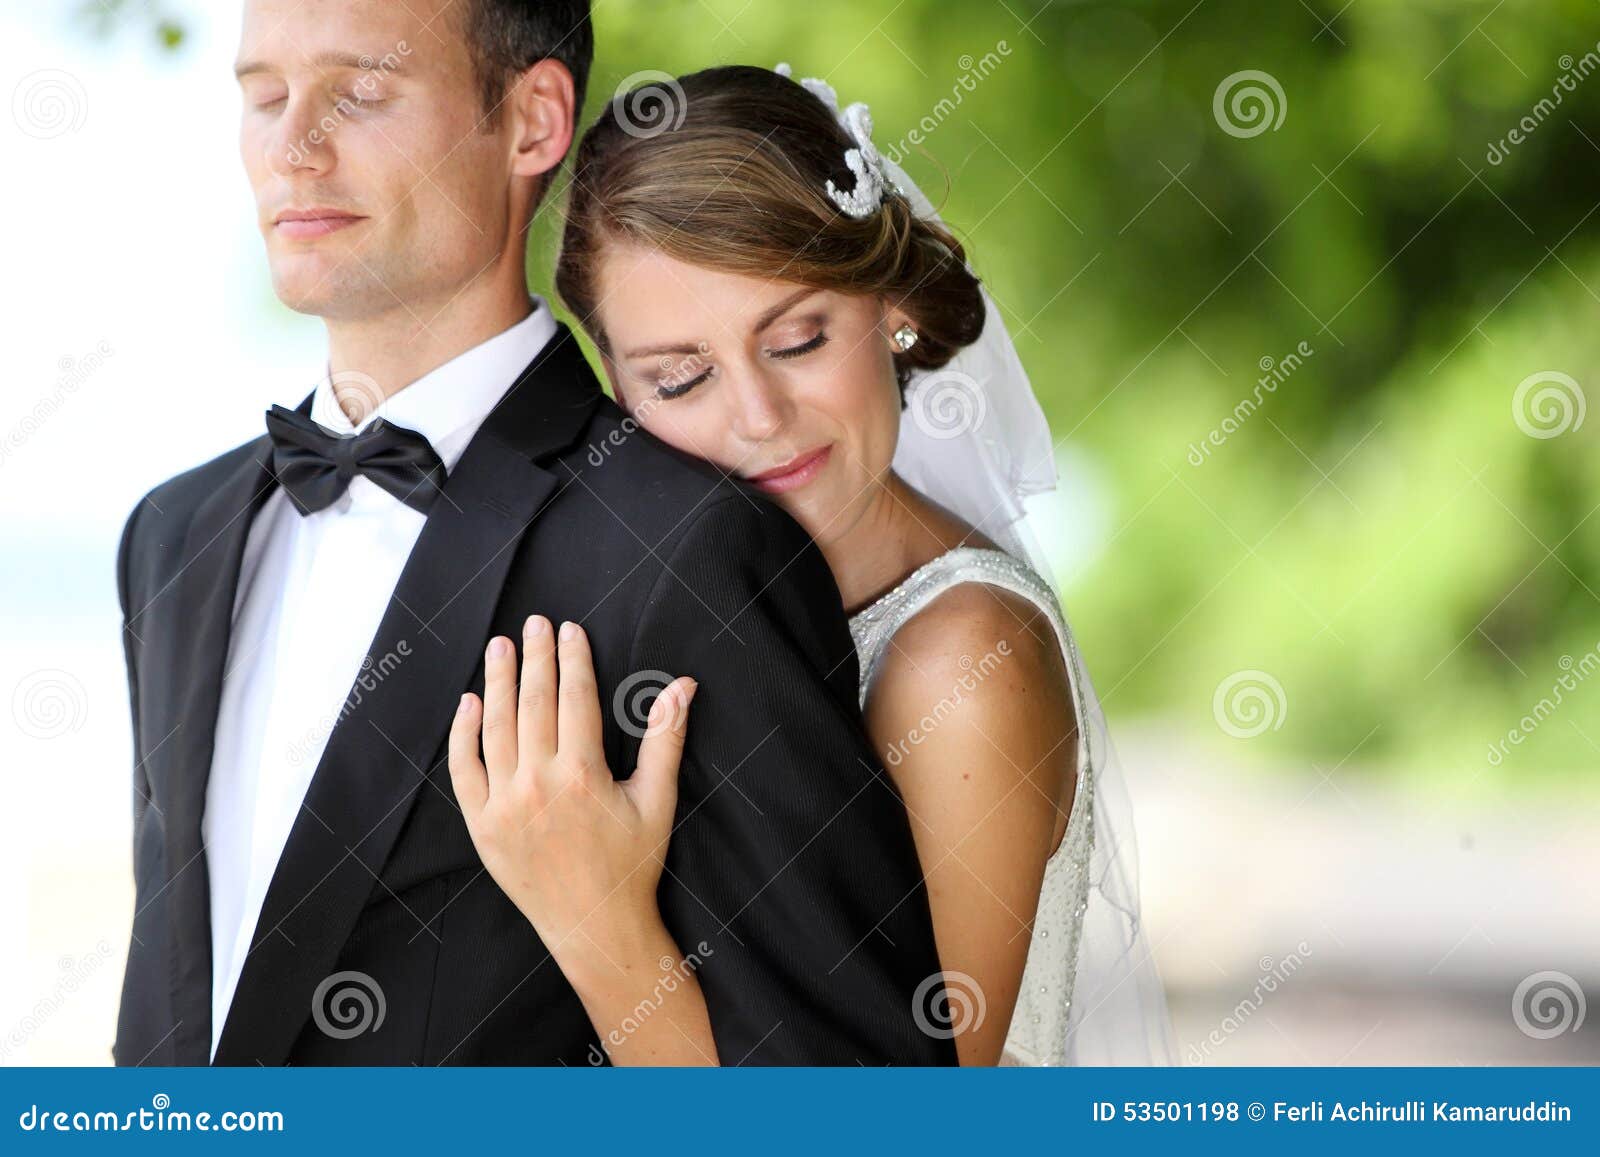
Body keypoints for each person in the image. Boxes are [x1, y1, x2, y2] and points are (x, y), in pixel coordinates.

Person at [113, 1, 952, 1066]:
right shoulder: (169, 536)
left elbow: (856, 1091)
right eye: (265, 96)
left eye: (359, 92)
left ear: (531, 122)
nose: (292, 146)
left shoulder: (693, 549)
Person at [448, 63, 1175, 1065]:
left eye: (795, 339)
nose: (756, 416)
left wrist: (595, 923)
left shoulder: (965, 665)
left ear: (887, 307)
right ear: (615, 390)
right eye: (682, 376)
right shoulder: (653, 616)